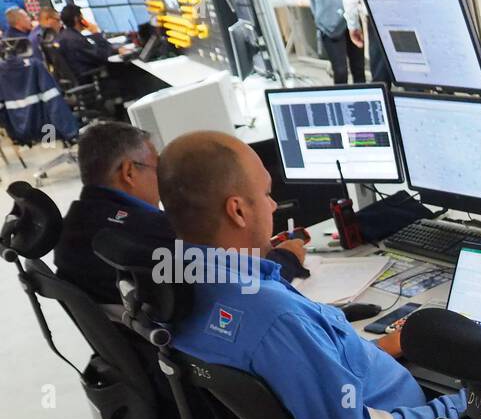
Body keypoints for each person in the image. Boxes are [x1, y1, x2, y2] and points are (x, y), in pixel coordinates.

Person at [156, 130, 465, 419]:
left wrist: (378, 349)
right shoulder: (276, 318)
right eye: (267, 194)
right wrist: (467, 404)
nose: (273, 207)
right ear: (238, 210)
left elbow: (298, 370)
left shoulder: (185, 286)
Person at [54, 121, 308, 305]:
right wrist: (287, 258)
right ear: (129, 172)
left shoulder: (73, 226)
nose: (165, 176)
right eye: (158, 166)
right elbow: (232, 287)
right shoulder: (149, 234)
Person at [53, 2, 127, 80]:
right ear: (77, 19)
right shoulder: (75, 39)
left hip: (80, 76)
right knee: (126, 67)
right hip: (90, 77)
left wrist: (115, 50)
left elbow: (93, 53)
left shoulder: (65, 36)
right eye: (82, 17)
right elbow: (101, 56)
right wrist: (96, 33)